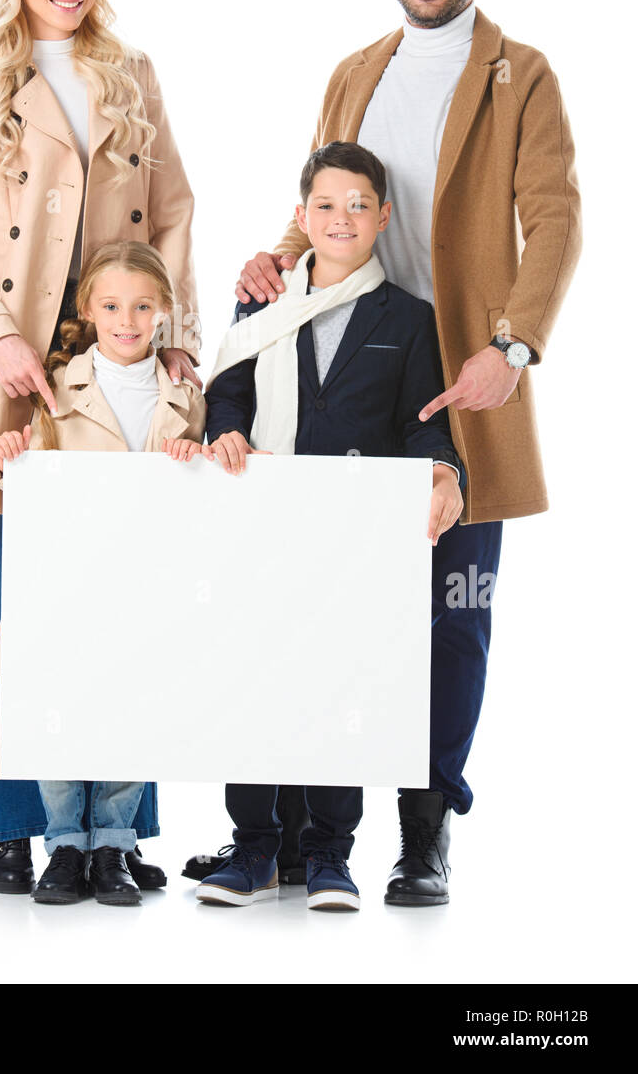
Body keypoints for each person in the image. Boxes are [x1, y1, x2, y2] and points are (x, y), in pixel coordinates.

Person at [187, 0, 582, 905]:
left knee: (452, 615)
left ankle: (424, 830)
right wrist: (276, 262)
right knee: (299, 612)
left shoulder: (522, 74)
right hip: (347, 380)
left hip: (460, 386)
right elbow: (316, 194)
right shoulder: (355, 71)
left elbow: (557, 219)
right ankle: (279, 831)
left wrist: (516, 346)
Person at [0, 0, 201, 895]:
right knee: (17, 609)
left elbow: (172, 215)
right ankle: (11, 823)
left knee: (127, 599)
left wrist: (176, 347)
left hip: (123, 357)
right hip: (21, 368)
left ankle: (113, 831)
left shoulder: (134, 77)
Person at [186, 142, 464, 910]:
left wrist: (446, 474)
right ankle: (252, 854)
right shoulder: (262, 302)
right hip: (262, 516)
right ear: (300, 216)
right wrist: (226, 431)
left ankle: (330, 857)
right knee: (252, 681)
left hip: (351, 533)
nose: (340, 219)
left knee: (340, 684)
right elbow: (228, 390)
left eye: (357, 205)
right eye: (324, 205)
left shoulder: (410, 320)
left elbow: (422, 427)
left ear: (381, 217)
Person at [0, 242, 205, 904]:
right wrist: (7, 456)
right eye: (111, 306)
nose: (127, 319)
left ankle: (112, 842)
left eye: (142, 306)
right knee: (59, 705)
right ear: (88, 311)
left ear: (164, 311)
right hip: (69, 583)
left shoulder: (186, 397)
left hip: (145, 585)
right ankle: (64, 847)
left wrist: (192, 454)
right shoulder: (58, 389)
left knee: (129, 708)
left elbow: (202, 487)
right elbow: (32, 470)